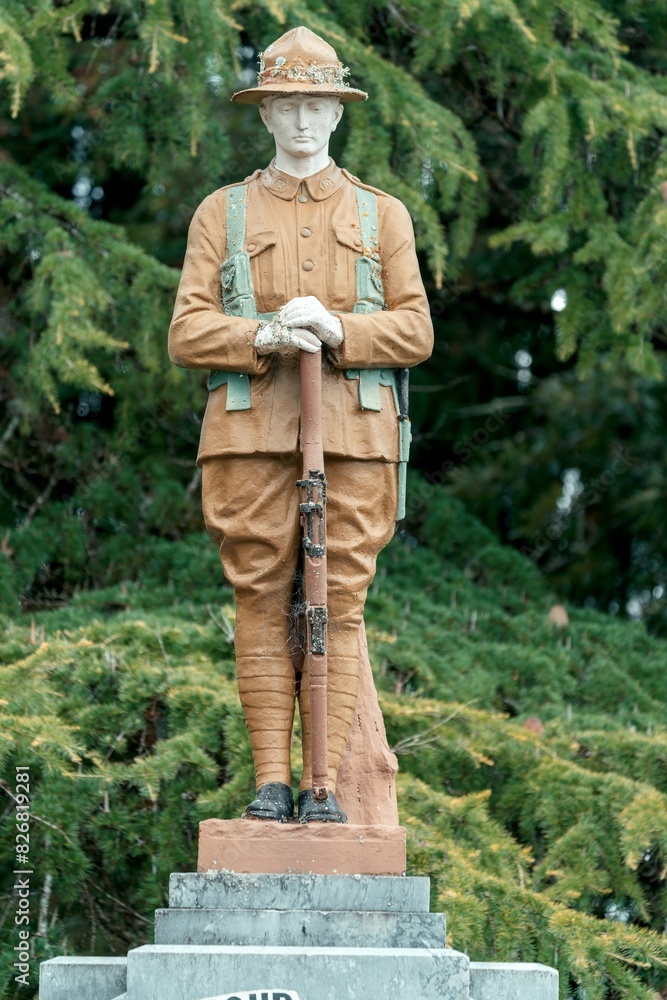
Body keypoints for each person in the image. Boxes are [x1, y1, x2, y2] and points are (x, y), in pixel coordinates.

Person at [168, 26, 433, 824]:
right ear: (265, 114)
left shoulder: (383, 215)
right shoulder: (222, 211)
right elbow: (186, 330)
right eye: (287, 104)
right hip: (248, 435)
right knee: (258, 596)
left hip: (356, 436)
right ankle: (269, 782)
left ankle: (324, 789)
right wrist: (262, 335)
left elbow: (415, 331)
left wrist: (340, 328)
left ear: (338, 111)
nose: (303, 120)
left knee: (340, 602)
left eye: (317, 102)